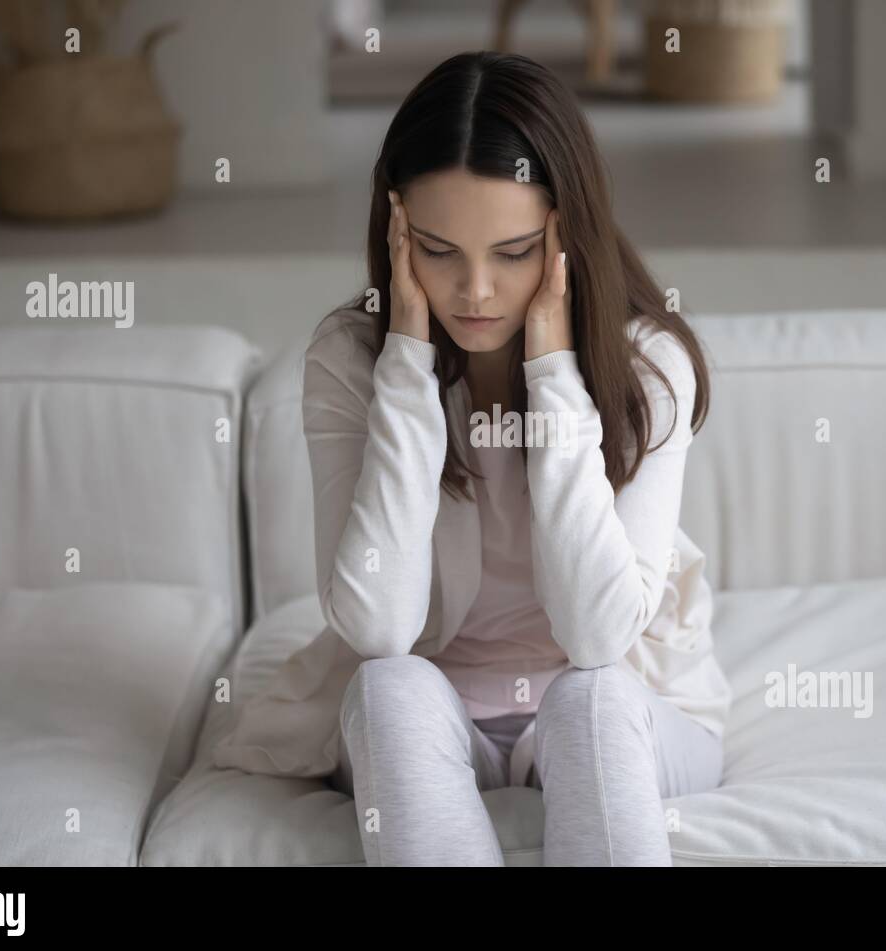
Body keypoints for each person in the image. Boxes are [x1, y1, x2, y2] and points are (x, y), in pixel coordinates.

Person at [215, 50, 732, 866]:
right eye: (438, 249)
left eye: (516, 250)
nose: (477, 292)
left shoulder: (647, 366)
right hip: (433, 706)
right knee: (387, 687)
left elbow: (597, 636)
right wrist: (409, 372)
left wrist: (554, 375)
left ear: (571, 233)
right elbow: (378, 626)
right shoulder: (351, 361)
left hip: (617, 702)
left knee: (588, 702)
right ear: (395, 232)